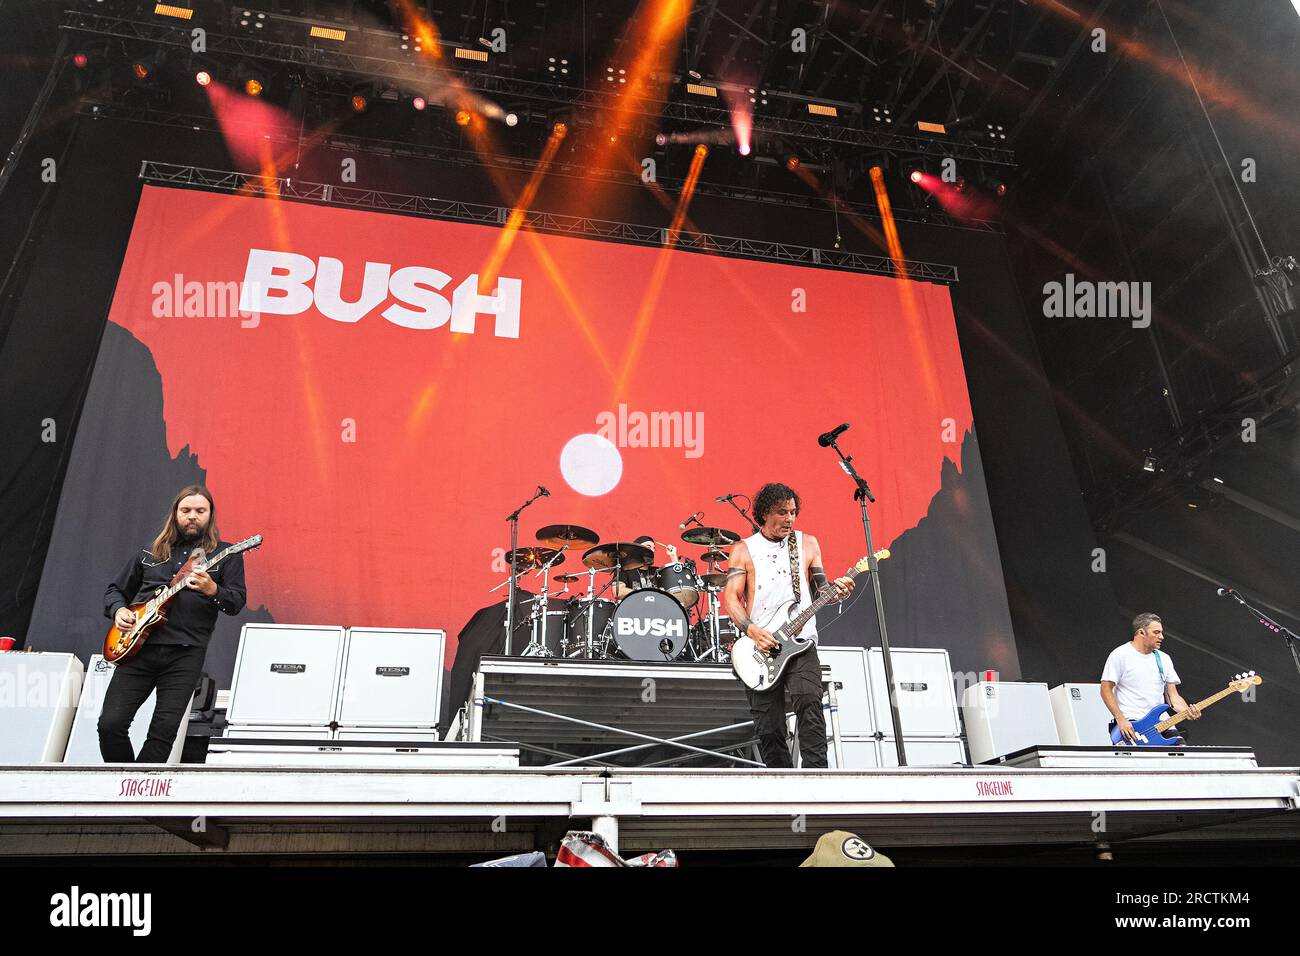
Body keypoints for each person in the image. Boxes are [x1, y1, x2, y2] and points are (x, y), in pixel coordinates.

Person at [100, 485, 246, 762]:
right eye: (186, 510)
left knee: (164, 731)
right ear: (175, 514)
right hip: (137, 649)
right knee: (110, 725)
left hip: (185, 652)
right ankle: (119, 782)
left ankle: (138, 794)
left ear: (210, 516)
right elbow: (115, 590)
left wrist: (212, 589)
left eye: (200, 511)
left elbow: (236, 602)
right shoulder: (149, 552)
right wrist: (119, 610)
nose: (192, 516)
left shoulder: (225, 555)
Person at [722, 482, 853, 768]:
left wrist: (837, 592)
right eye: (782, 512)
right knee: (769, 725)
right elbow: (730, 599)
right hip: (761, 644)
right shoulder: (743, 550)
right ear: (765, 513)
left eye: (793, 512)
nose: (789, 519)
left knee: (810, 701)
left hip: (801, 639)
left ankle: (816, 774)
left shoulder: (807, 543)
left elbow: (821, 592)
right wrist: (753, 632)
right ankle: (781, 782)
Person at [1100, 612, 1200, 744]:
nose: (1162, 637)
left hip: (1162, 722)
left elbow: (1173, 696)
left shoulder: (1164, 658)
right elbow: (1105, 690)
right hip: (1132, 724)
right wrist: (1120, 719)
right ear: (1141, 633)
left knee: (1180, 754)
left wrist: (1188, 711)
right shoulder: (1120, 654)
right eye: (1156, 632)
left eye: (1161, 632)